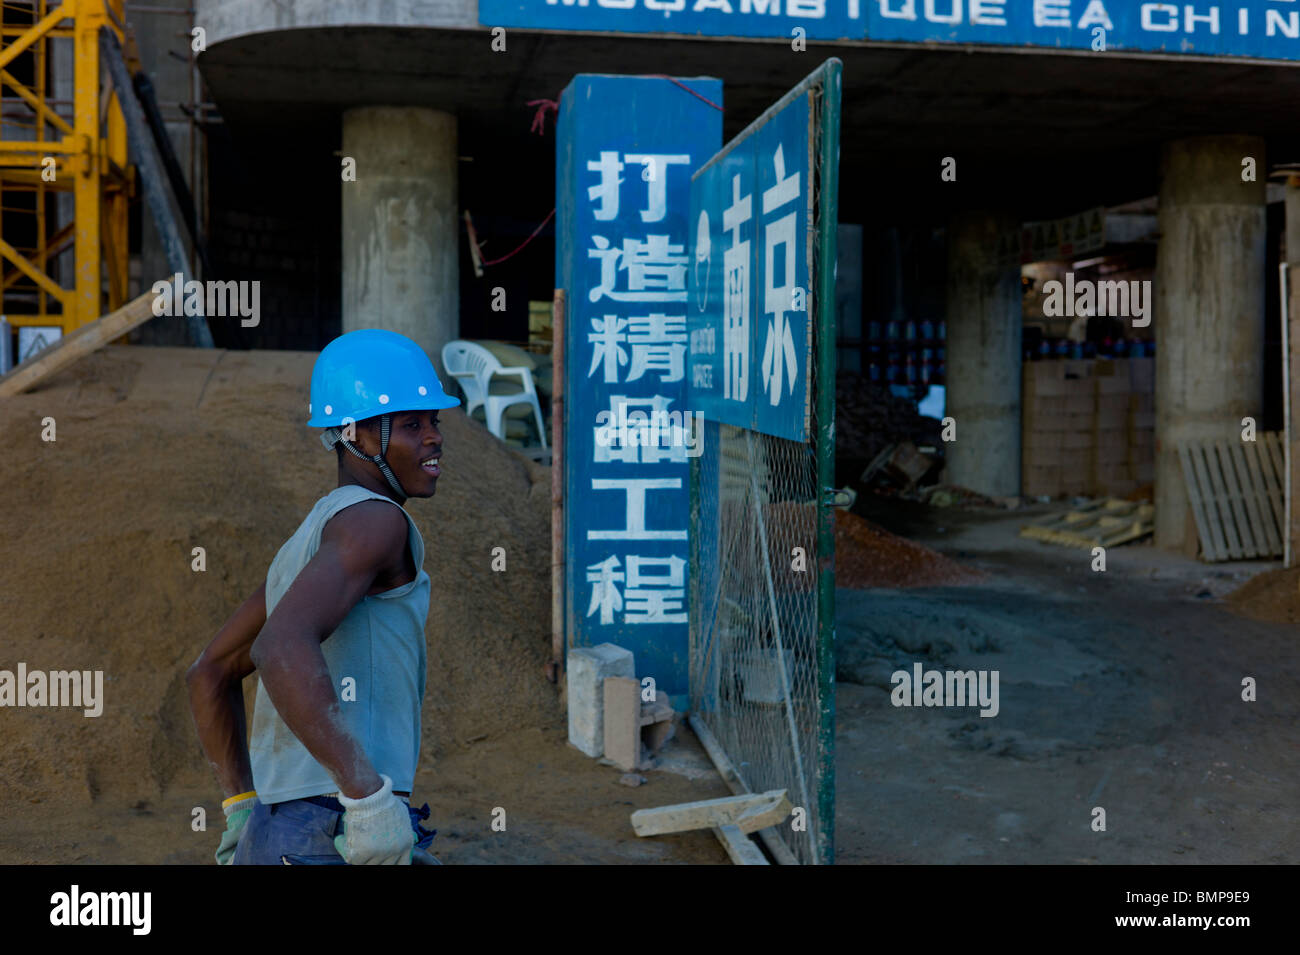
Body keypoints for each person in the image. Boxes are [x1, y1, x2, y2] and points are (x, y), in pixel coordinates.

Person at [186, 328, 459, 864]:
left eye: (434, 421)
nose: (433, 437)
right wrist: (367, 799)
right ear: (355, 436)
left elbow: (209, 674)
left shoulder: (309, 541)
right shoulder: (378, 523)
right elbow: (280, 648)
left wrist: (244, 808)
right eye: (410, 424)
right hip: (334, 832)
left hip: (277, 832)